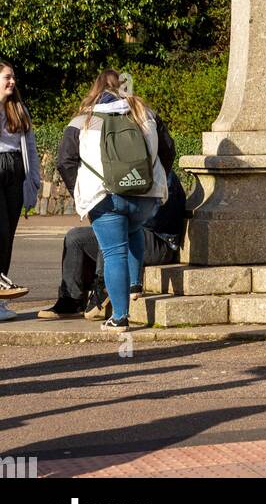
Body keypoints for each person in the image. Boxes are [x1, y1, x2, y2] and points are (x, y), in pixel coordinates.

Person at [56, 70, 168, 332]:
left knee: (114, 252)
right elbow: (168, 150)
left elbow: (65, 161)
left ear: (96, 89)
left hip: (104, 197)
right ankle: (135, 286)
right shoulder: (145, 114)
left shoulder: (83, 120)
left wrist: (81, 191)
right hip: (144, 198)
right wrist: (153, 182)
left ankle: (119, 317)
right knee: (134, 228)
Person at [38, 169, 186, 320]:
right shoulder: (123, 171)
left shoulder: (161, 173)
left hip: (158, 241)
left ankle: (103, 289)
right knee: (75, 237)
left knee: (114, 232)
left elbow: (158, 217)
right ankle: (71, 301)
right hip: (134, 233)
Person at [0, 61, 41, 318]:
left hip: (15, 169)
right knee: (0, 232)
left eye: (13, 77)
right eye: (7, 77)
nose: (12, 82)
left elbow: (32, 150)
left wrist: (33, 183)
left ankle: (1, 300)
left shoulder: (19, 109)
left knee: (7, 239)